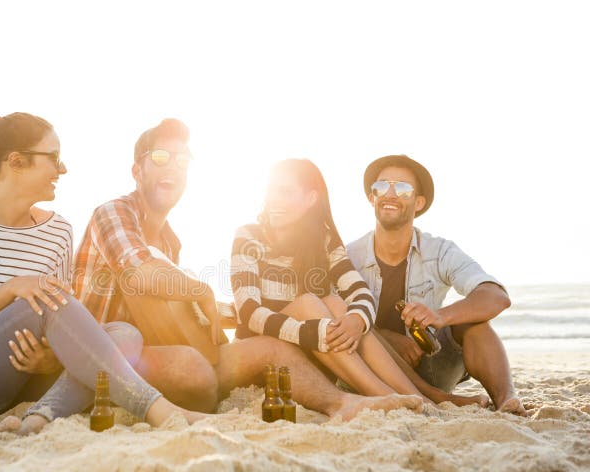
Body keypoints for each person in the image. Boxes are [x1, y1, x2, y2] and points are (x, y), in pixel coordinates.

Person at [74, 121, 423, 419]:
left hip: (153, 349)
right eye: (161, 157)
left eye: (182, 160)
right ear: (138, 171)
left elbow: (164, 310)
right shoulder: (114, 213)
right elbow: (139, 273)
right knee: (194, 368)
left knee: (284, 342)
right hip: (105, 352)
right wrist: (201, 291)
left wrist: (212, 309)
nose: (173, 167)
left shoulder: (170, 241)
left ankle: (346, 404)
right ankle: (384, 393)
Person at [0, 112, 207, 436]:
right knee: (43, 298)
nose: (62, 168)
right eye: (53, 157)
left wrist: (50, 359)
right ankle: (157, 408)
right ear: (16, 161)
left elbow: (57, 321)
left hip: (18, 386)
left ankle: (41, 417)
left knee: (125, 334)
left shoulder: (58, 231)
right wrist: (14, 288)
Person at [231, 158, 435, 402]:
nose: (273, 200)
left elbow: (360, 293)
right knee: (309, 302)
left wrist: (356, 320)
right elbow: (249, 312)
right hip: (265, 354)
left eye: (284, 192)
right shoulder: (248, 235)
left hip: (316, 356)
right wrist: (315, 332)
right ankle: (384, 396)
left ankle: (418, 397)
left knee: (339, 305)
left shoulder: (324, 240)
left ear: (310, 199)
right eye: (271, 191)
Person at [347, 154, 525, 415]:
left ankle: (507, 401)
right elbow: (332, 316)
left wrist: (440, 316)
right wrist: (387, 338)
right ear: (372, 197)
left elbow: (496, 296)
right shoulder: (348, 256)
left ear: (418, 203)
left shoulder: (439, 251)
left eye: (403, 188)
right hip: (368, 372)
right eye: (382, 186)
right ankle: (436, 398)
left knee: (472, 322)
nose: (391, 194)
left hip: (429, 367)